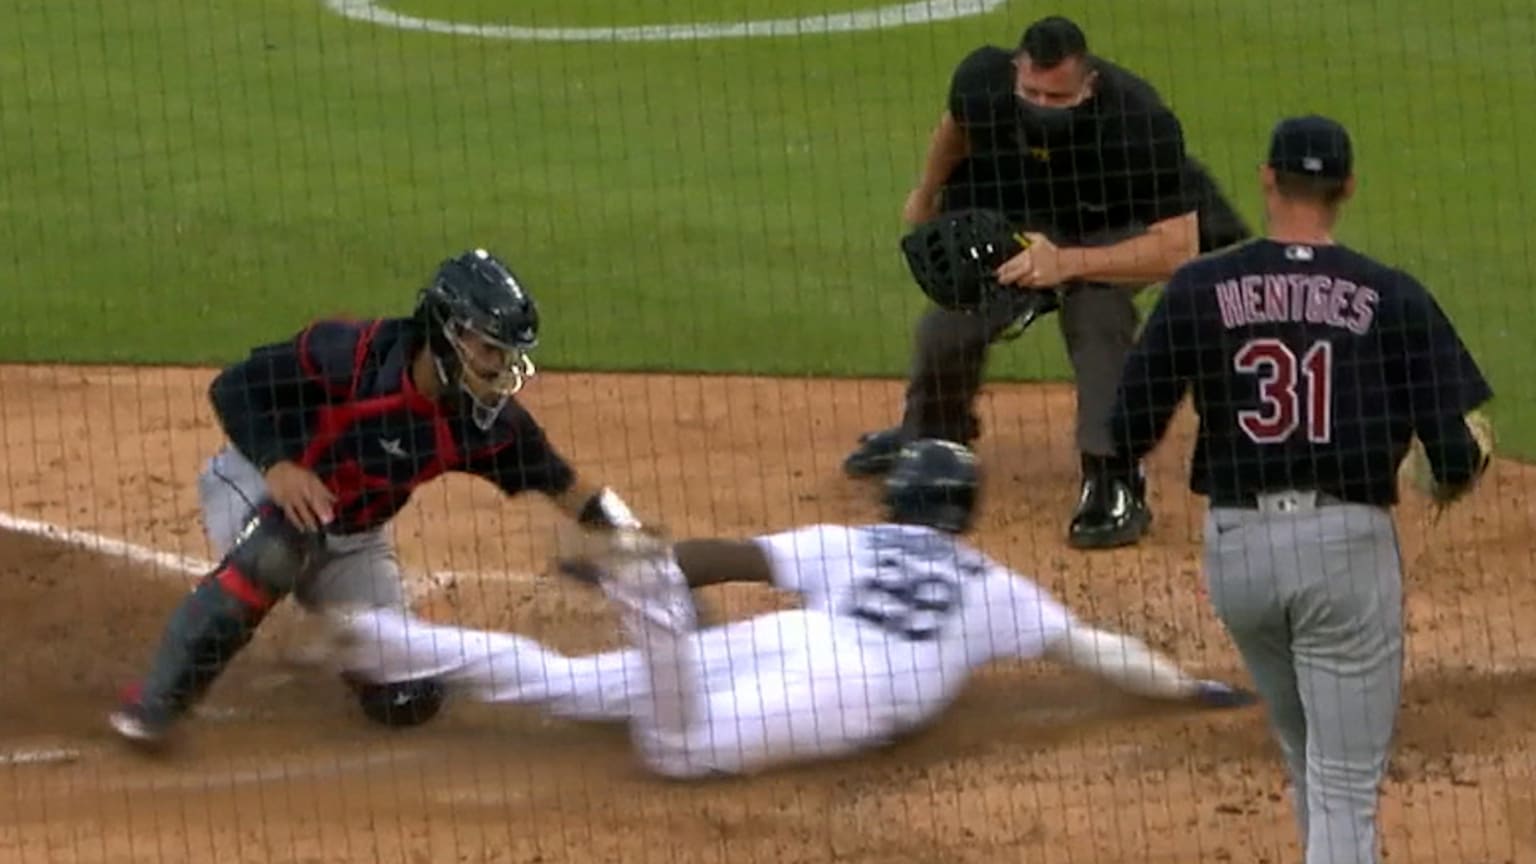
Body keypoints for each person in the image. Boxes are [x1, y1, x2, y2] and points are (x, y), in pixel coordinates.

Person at [1104, 116, 1494, 862]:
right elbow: (1450, 450)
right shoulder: (1391, 295)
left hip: (1239, 558)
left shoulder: (1198, 286)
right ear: (1346, 187)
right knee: (1347, 783)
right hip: (1343, 555)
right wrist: (1453, 474)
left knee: (1307, 754)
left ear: (1266, 178)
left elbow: (1125, 430)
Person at [108, 248, 654, 748]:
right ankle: (158, 703)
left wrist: (632, 538)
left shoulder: (481, 424)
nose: (502, 369)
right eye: (491, 349)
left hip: (354, 537)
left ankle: (340, 641)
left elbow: (561, 484)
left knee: (407, 700)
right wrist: (279, 466)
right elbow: (235, 385)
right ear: (447, 334)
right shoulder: (348, 355)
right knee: (279, 549)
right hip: (254, 486)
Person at [548, 439, 1257, 779]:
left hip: (801, 640)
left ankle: (475, 668)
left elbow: (728, 557)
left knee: (608, 694)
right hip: (854, 693)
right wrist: (1188, 686)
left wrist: (634, 573)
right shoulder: (995, 582)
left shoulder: (857, 541)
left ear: (900, 498)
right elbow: (1098, 651)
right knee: (680, 751)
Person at [842, 15, 1253, 550]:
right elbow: (956, 126)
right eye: (1031, 92)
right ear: (1015, 72)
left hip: (1113, 228)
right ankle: (931, 442)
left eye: (1057, 98)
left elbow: (1178, 247)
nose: (1040, 106)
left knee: (1096, 312)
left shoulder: (1138, 120)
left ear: (1089, 84)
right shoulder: (984, 83)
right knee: (952, 319)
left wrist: (1067, 263)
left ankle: (1114, 476)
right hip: (1027, 220)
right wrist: (925, 196)